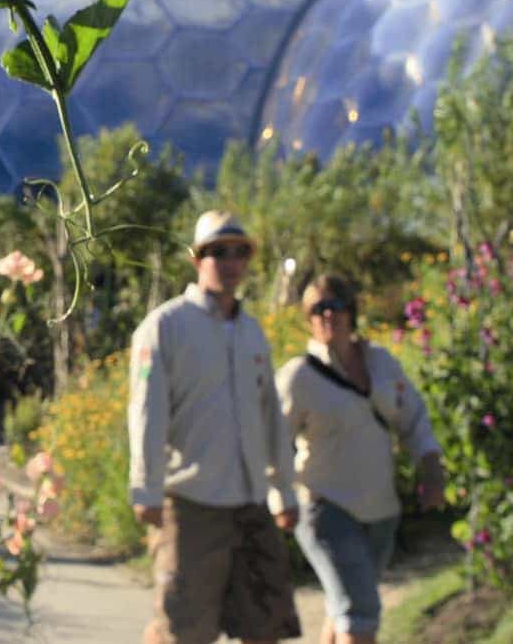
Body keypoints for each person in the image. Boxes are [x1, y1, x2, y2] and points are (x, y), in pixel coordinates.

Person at [128, 210, 302, 644]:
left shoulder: (251, 332)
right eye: (217, 251)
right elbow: (147, 414)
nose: (230, 261)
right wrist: (145, 489)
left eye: (240, 252)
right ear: (196, 258)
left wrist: (283, 489)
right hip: (192, 504)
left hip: (250, 502)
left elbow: (271, 417)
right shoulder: (165, 327)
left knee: (265, 625)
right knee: (185, 629)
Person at [275, 273, 445, 644]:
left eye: (332, 306)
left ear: (350, 311)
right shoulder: (297, 377)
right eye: (315, 309)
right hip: (325, 508)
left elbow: (413, 418)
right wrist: (279, 498)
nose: (325, 316)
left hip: (380, 510)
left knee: (344, 608)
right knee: (360, 611)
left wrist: (430, 466)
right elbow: (270, 441)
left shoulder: (382, 364)